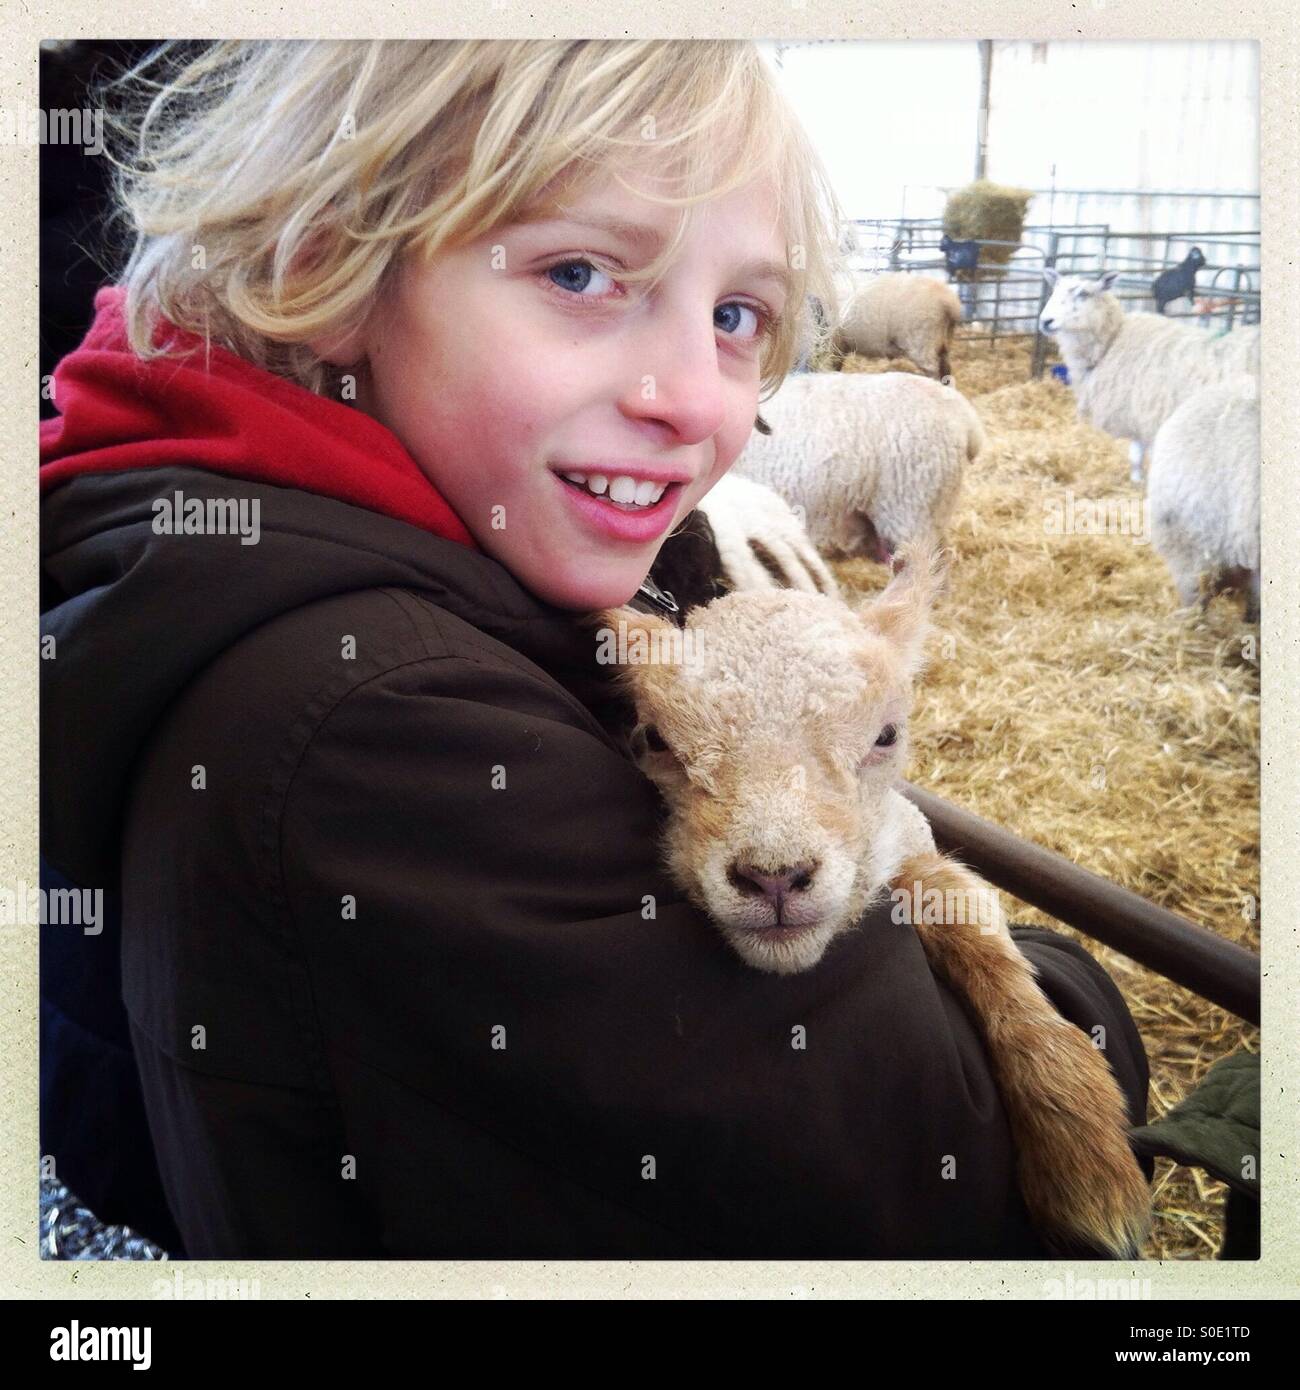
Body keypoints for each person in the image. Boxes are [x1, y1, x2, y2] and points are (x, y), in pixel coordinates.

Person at [40, 38, 1151, 1258]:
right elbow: (938, 1182)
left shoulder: (276, 559)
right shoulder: (386, 725)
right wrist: (1080, 999)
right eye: (580, 272)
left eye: (738, 315)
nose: (694, 396)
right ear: (333, 270)